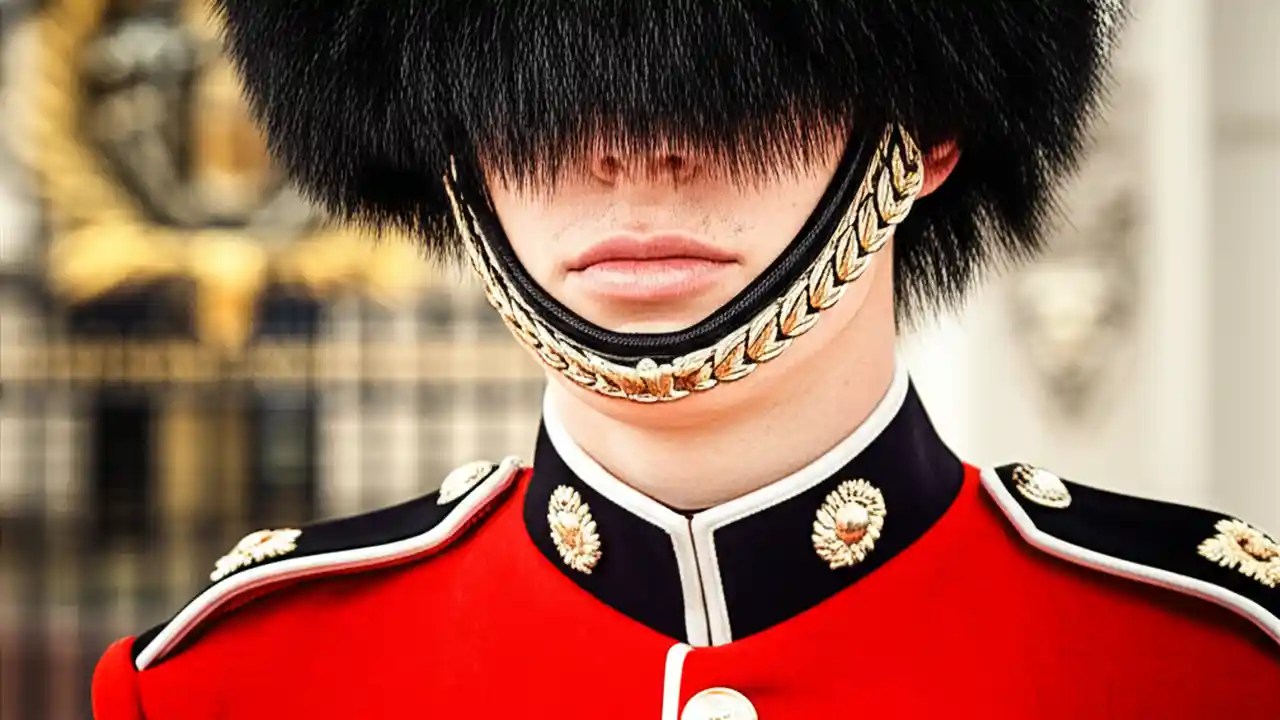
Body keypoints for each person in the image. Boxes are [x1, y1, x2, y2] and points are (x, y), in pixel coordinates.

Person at [93, 2, 1279, 718]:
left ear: (922, 132)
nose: (631, 149)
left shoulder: (1210, 673)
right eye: (540, 96)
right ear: (447, 141)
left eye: (734, 91)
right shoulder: (227, 691)